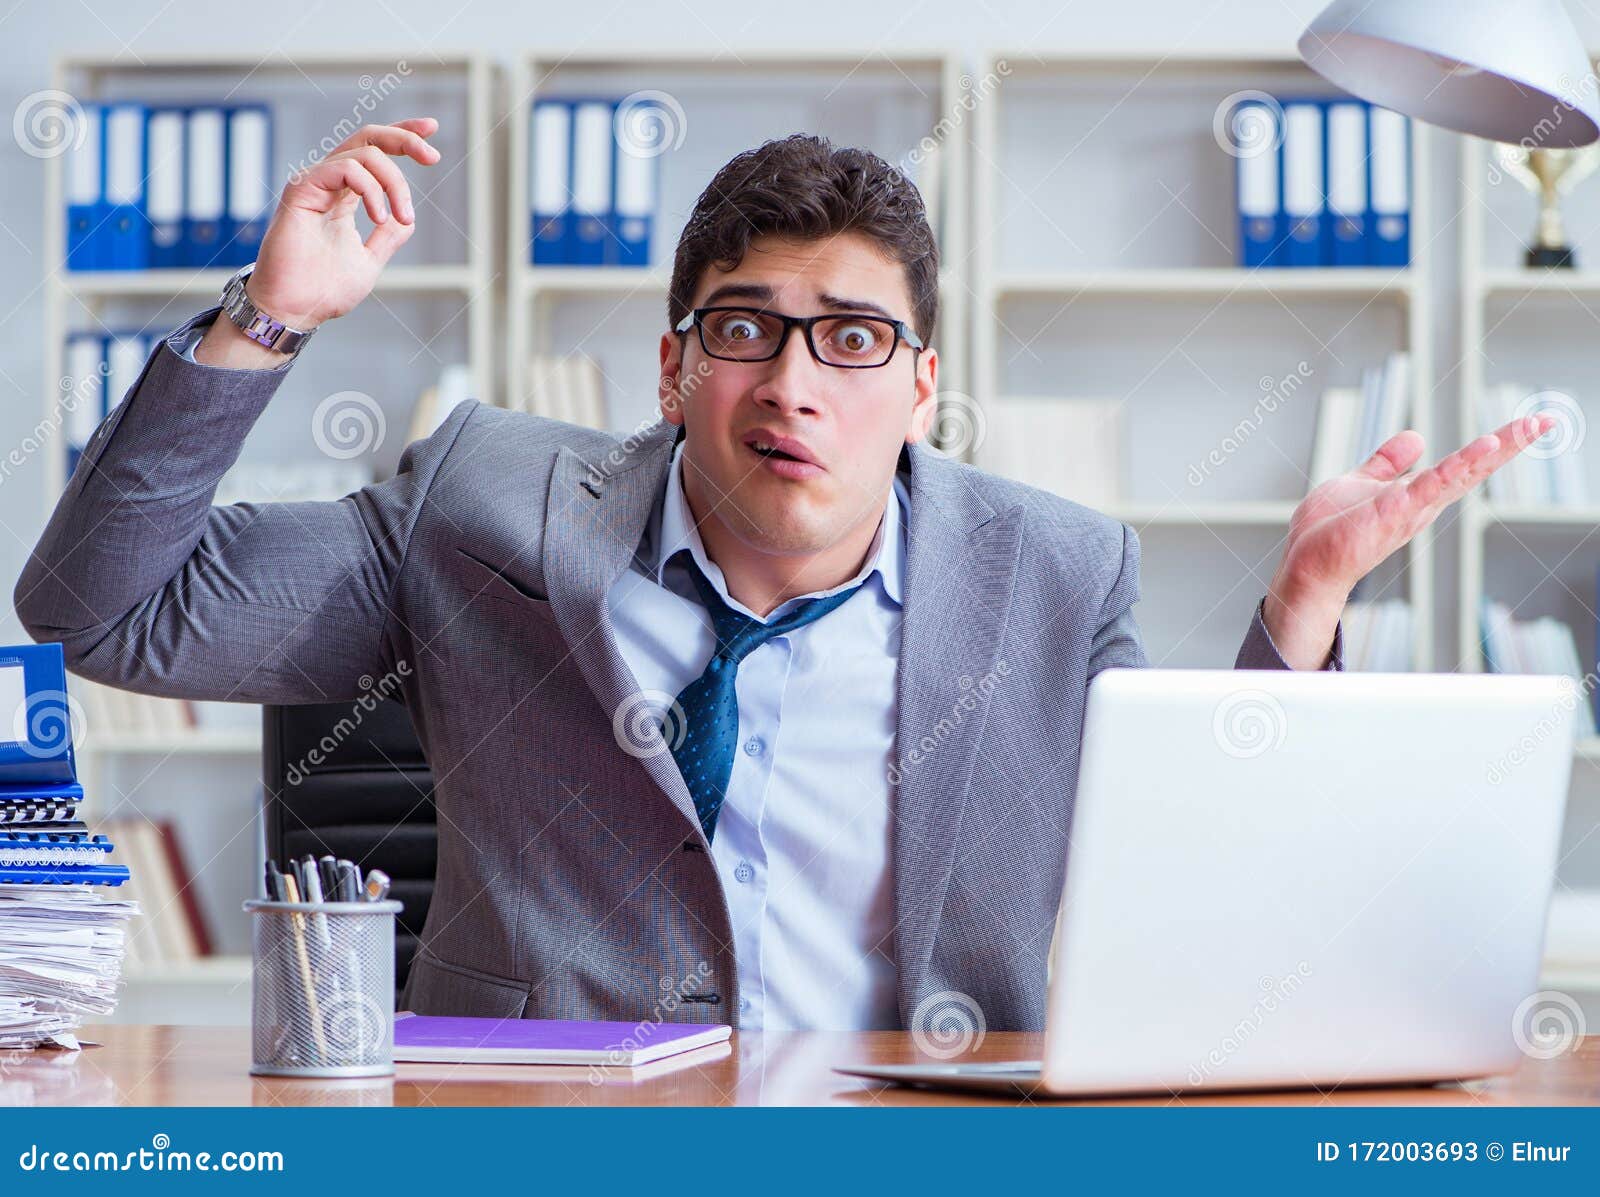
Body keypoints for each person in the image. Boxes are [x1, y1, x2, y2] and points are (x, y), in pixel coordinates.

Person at [14, 119, 1550, 1032]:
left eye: (853, 338)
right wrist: (267, 321)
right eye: (746, 328)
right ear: (673, 366)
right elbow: (103, 609)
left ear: (922, 384)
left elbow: (1212, 877)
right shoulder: (478, 507)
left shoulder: (1054, 572)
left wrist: (1302, 611)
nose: (795, 383)